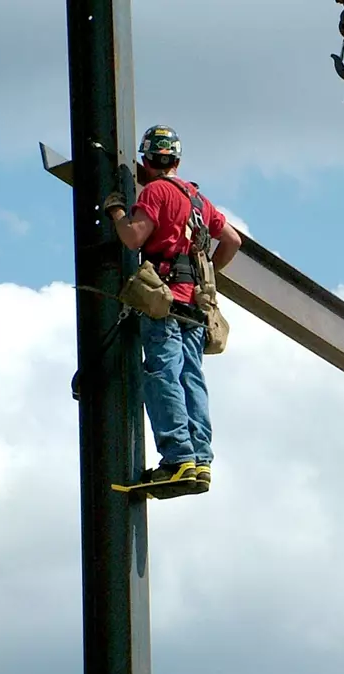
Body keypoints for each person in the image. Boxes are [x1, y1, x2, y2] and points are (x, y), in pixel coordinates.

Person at [102, 124, 243, 497]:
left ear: (147, 162)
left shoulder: (157, 191)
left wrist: (117, 211)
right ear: (177, 160)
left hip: (163, 300)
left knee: (163, 373)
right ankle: (199, 461)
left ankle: (177, 459)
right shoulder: (198, 199)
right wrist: (206, 273)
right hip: (195, 304)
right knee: (191, 379)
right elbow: (232, 240)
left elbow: (133, 236)